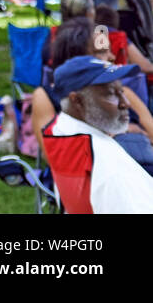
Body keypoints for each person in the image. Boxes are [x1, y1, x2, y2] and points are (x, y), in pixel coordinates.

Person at [41, 56, 153, 210]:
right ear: (77, 101)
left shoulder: (60, 128)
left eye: (121, 91)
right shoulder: (113, 171)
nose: (125, 103)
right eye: (111, 94)